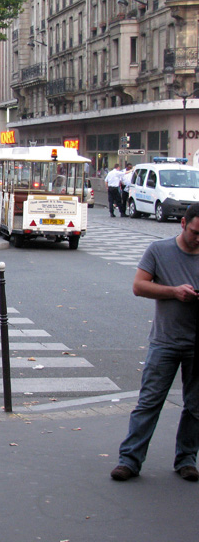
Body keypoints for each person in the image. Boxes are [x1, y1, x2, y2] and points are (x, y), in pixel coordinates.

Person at [110, 203, 199, 483]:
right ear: (183, 224)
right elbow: (139, 286)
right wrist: (174, 292)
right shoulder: (159, 250)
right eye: (196, 232)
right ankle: (130, 460)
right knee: (149, 402)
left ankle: (186, 459)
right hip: (166, 341)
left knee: (195, 407)